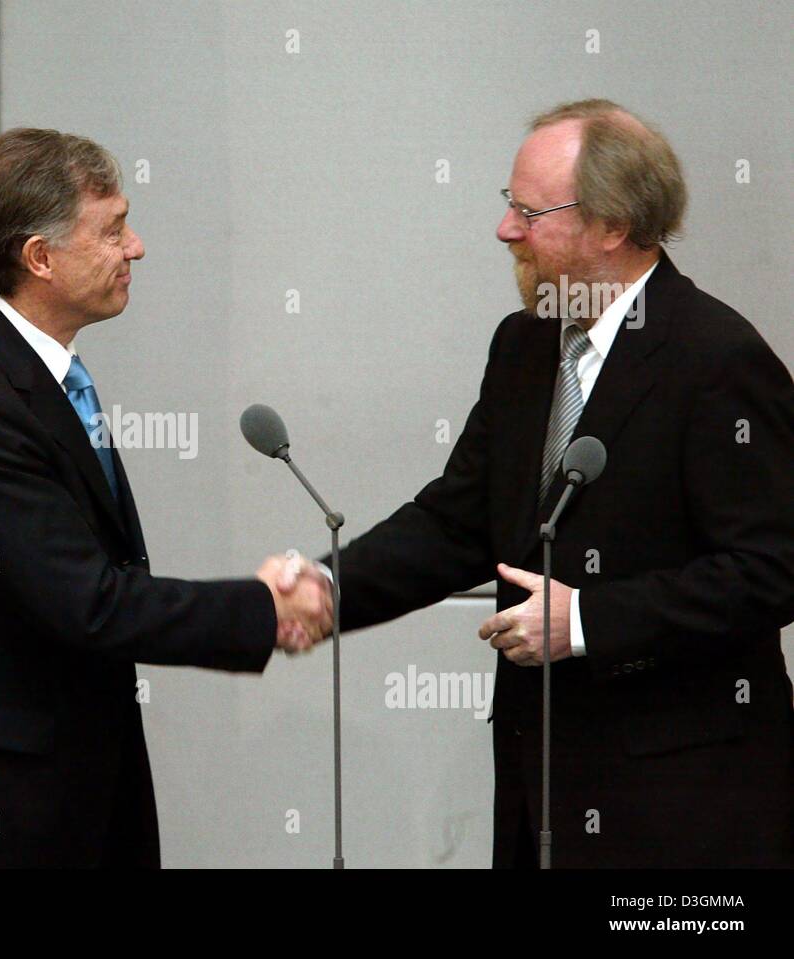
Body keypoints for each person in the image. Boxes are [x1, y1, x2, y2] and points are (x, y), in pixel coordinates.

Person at [298, 99, 794, 867]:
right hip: (541, 793)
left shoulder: (715, 357)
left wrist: (588, 620)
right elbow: (456, 522)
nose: (506, 230)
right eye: (510, 206)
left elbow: (771, 569)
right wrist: (320, 592)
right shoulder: (524, 344)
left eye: (530, 212)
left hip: (680, 812)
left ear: (613, 226)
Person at [0, 128, 333, 868]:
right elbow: (87, 601)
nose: (137, 247)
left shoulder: (32, 372)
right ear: (40, 258)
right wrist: (261, 608)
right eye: (114, 228)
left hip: (54, 790)